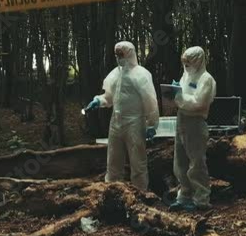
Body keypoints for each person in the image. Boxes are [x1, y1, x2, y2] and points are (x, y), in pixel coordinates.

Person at [84, 42, 159, 191]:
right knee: (113, 162)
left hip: (135, 122)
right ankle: (111, 194)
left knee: (138, 163)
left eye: (121, 54)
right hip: (116, 122)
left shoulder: (141, 74)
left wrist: (151, 124)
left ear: (129, 53)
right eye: (117, 54)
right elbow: (110, 97)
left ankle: (141, 195)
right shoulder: (115, 74)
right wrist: (99, 101)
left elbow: (150, 101)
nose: (118, 57)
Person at [169, 46, 216, 211]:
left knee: (196, 162)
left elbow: (199, 103)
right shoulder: (185, 75)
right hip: (181, 120)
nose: (186, 64)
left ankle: (201, 199)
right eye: (184, 61)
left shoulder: (206, 79)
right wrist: (173, 93)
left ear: (198, 60)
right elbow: (182, 98)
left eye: (189, 61)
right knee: (180, 161)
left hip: (195, 122)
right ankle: (184, 196)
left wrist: (179, 96)